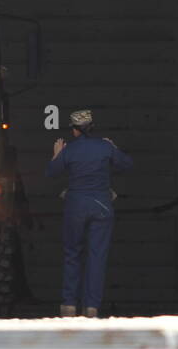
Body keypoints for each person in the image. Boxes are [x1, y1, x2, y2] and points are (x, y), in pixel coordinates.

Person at [46, 110, 133, 317]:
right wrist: (114, 148)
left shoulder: (70, 150)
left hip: (75, 206)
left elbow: (51, 173)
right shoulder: (104, 147)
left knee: (72, 254)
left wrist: (56, 155)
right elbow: (127, 164)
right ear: (92, 127)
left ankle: (68, 305)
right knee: (97, 256)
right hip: (101, 206)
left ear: (74, 130)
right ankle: (91, 307)